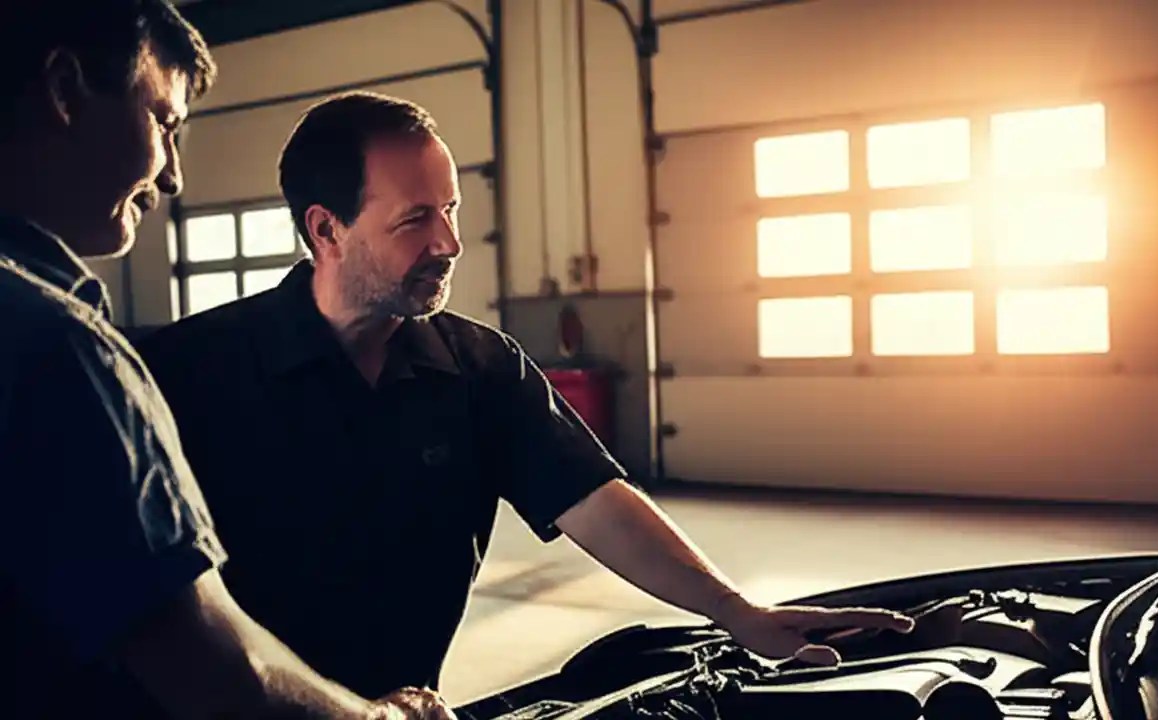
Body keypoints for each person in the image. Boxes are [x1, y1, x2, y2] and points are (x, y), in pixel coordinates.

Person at [138, 91, 915, 711]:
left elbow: (596, 501)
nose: (448, 242)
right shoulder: (183, 374)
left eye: (451, 211)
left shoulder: (477, 369)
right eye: (415, 219)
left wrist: (736, 611)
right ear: (325, 228)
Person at [0, 4, 455, 719]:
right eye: (164, 123)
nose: (175, 175)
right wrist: (378, 718)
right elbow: (216, 673)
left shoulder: (479, 364)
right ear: (64, 92)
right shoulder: (55, 348)